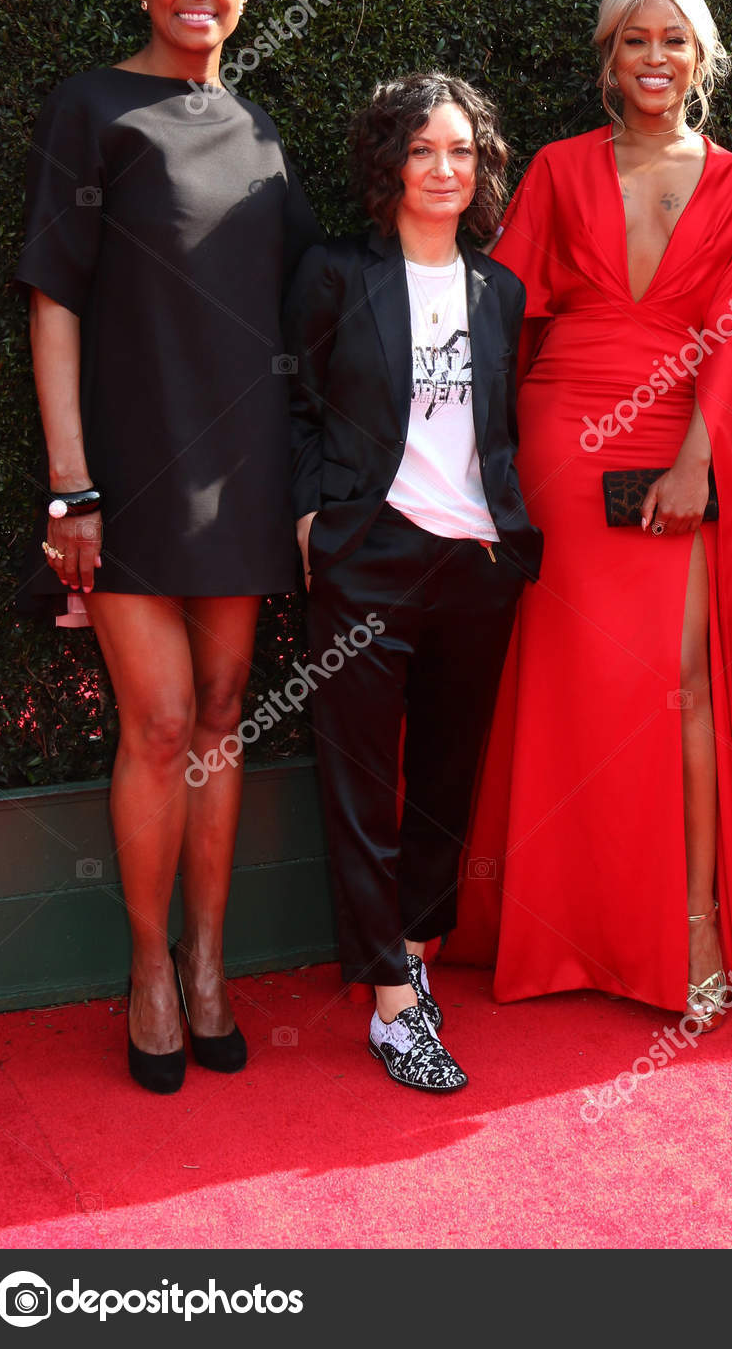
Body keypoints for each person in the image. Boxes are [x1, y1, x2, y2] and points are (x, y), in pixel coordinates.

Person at [16, 0, 324, 1092]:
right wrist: (68, 484)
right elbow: (53, 299)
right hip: (130, 473)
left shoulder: (258, 133)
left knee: (221, 714)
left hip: (247, 474)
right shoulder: (91, 108)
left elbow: (312, 299)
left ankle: (210, 966)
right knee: (155, 719)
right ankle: (146, 967)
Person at [451, 0, 732, 1029]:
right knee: (566, 677)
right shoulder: (554, 167)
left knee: (679, 678)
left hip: (673, 434)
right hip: (559, 436)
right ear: (608, 55)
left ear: (700, 58)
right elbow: (500, 306)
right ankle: (551, 929)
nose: (653, 56)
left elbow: (731, 330)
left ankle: (686, 930)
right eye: (635, 38)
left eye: (673, 40)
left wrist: (697, 459)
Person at [283, 72, 541, 1093]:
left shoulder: (500, 290)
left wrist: (505, 541)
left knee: (442, 782)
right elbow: (293, 406)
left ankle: (418, 953)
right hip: (367, 553)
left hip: (474, 564)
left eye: (462, 153)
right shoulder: (335, 274)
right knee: (357, 782)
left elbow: (496, 432)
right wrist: (313, 520)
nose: (444, 169)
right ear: (389, 162)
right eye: (424, 150)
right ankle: (391, 1001)